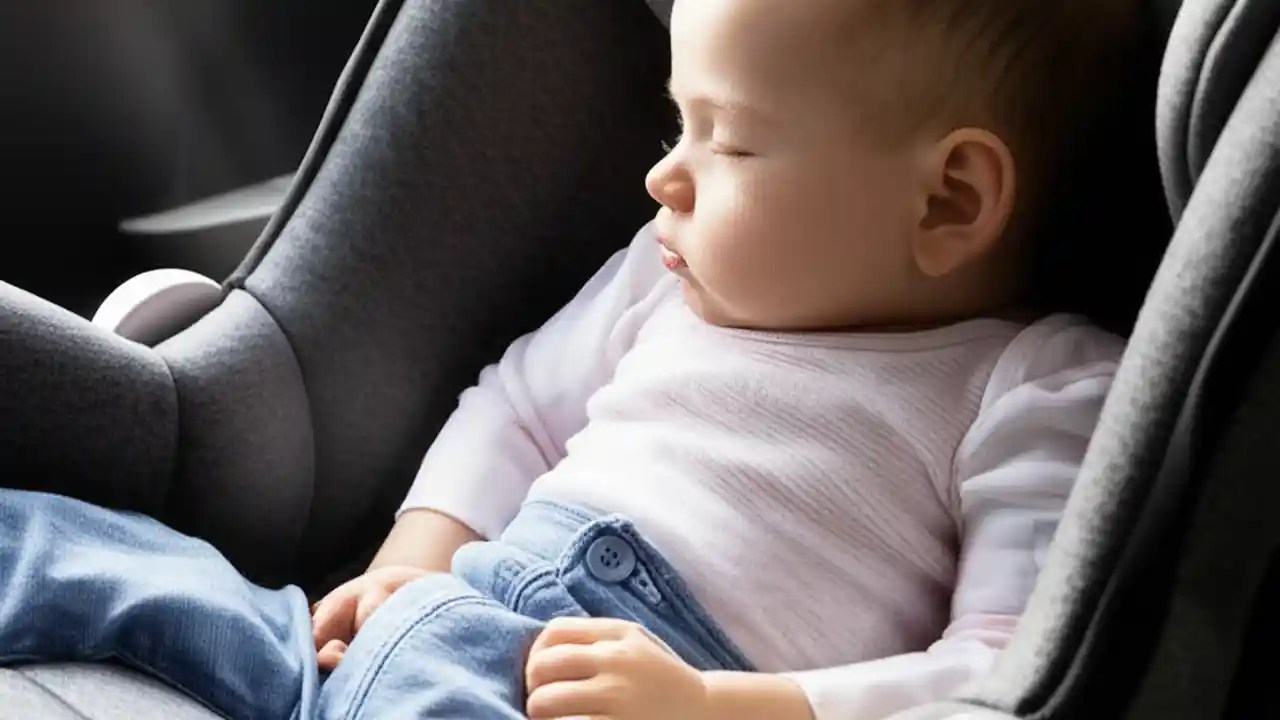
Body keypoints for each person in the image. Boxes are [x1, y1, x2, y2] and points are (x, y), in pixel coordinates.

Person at [0, 0, 1140, 718]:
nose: (663, 178)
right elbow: (517, 412)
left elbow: (1000, 675)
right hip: (431, 619)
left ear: (947, 198)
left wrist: (719, 709)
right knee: (84, 553)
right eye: (673, 125)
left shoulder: (1034, 388)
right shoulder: (667, 269)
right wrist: (417, 558)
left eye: (728, 138)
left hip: (625, 688)